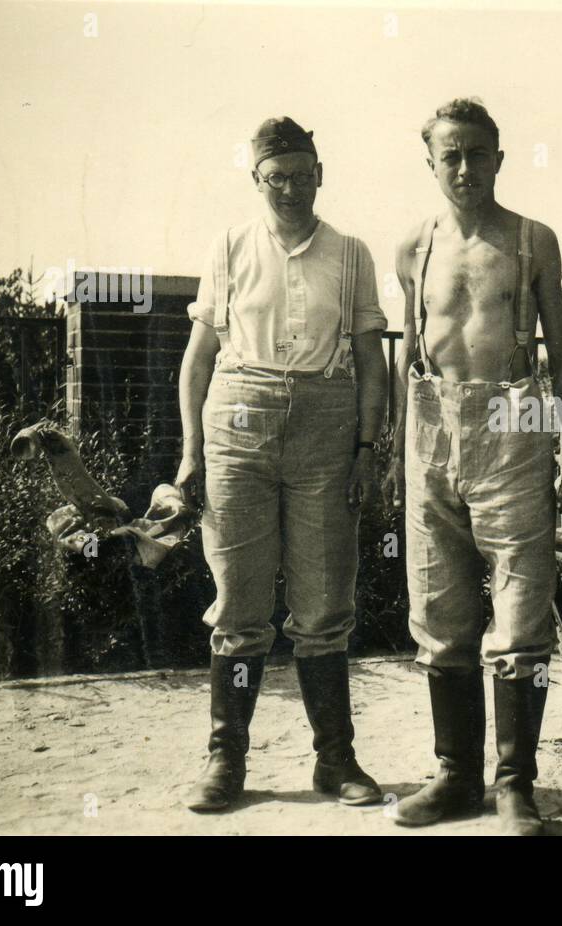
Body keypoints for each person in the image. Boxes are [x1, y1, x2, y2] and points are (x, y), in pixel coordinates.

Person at [382, 98, 562, 835]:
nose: (465, 168)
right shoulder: (413, 246)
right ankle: (454, 779)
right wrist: (393, 452)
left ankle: (514, 787)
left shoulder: (533, 241)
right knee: (438, 611)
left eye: (478, 154)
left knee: (521, 610)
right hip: (433, 429)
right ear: (431, 163)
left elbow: (561, 351)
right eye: (451, 156)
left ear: (500, 158)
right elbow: (406, 353)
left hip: (514, 421)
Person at [176, 116, 388, 812]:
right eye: (277, 178)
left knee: (325, 601)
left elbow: (369, 360)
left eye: (303, 174)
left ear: (320, 173)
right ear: (257, 180)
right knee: (239, 602)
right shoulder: (231, 245)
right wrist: (190, 453)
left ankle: (337, 760)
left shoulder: (352, 253)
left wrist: (366, 447)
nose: (291, 189)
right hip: (238, 421)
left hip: (326, 426)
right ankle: (225, 763)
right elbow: (199, 359)